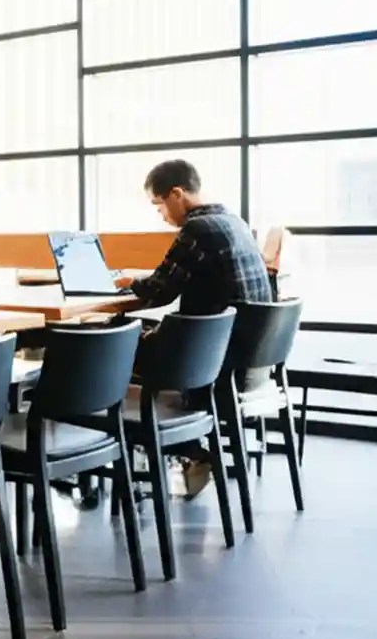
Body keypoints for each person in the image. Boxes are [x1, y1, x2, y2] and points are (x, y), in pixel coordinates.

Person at [116, 159, 273, 498]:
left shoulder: (197, 229)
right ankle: (182, 448)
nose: (160, 215)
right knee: (133, 335)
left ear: (176, 194)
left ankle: (133, 448)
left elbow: (161, 290)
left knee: (111, 343)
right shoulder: (235, 222)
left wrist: (129, 284)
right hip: (246, 355)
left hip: (211, 362)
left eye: (159, 206)